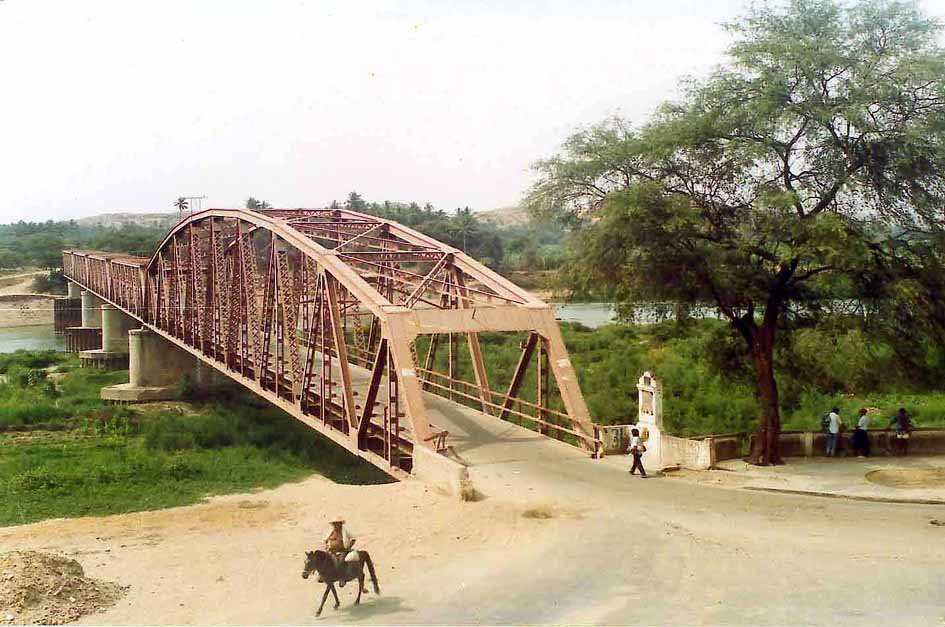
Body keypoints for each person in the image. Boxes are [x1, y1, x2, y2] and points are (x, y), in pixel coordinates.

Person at [323, 518, 357, 586]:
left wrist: (348, 547)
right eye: (334, 524)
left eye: (337, 524)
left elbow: (353, 539)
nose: (336, 526)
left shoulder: (345, 531)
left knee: (340, 562)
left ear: (340, 524)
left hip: (342, 551)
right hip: (331, 551)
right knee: (323, 560)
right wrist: (327, 546)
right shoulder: (331, 531)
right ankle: (323, 576)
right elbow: (325, 540)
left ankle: (342, 578)